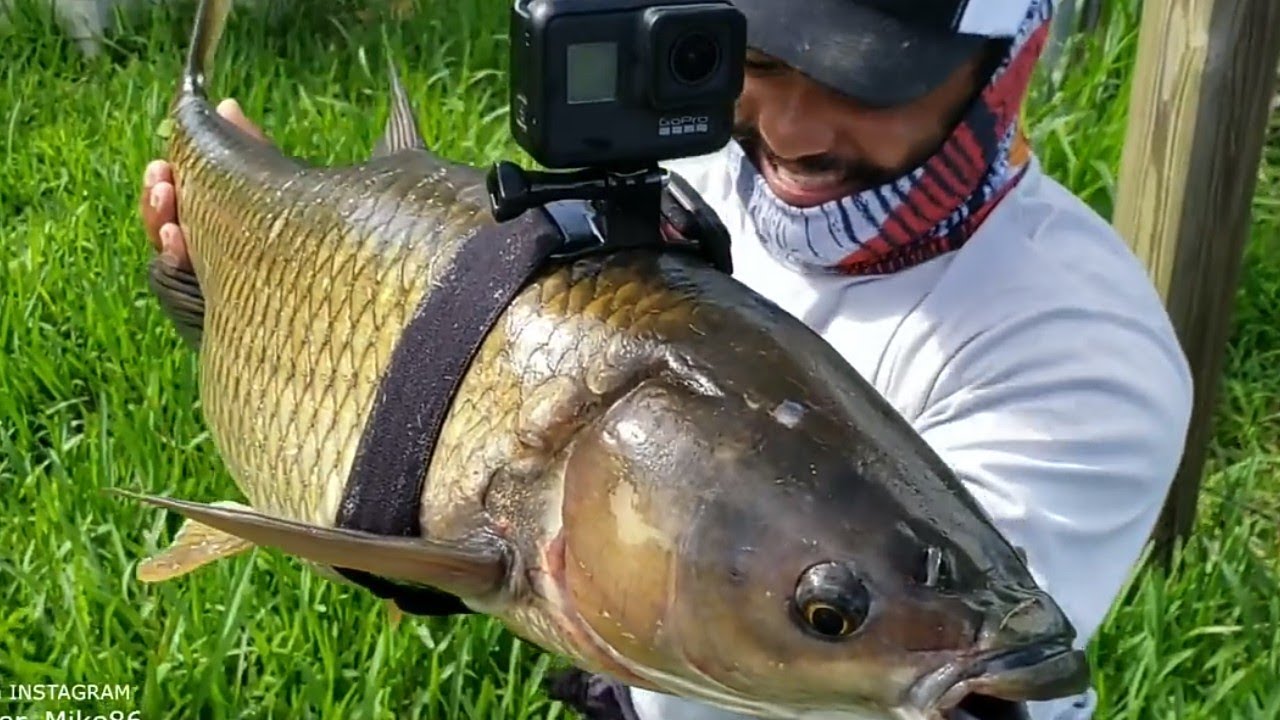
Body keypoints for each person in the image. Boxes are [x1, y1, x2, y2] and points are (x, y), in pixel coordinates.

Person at [137, 0, 1194, 718]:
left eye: (864, 85)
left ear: (1015, 59)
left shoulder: (1083, 361)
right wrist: (240, 299)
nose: (786, 131)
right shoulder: (693, 158)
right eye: (760, 63)